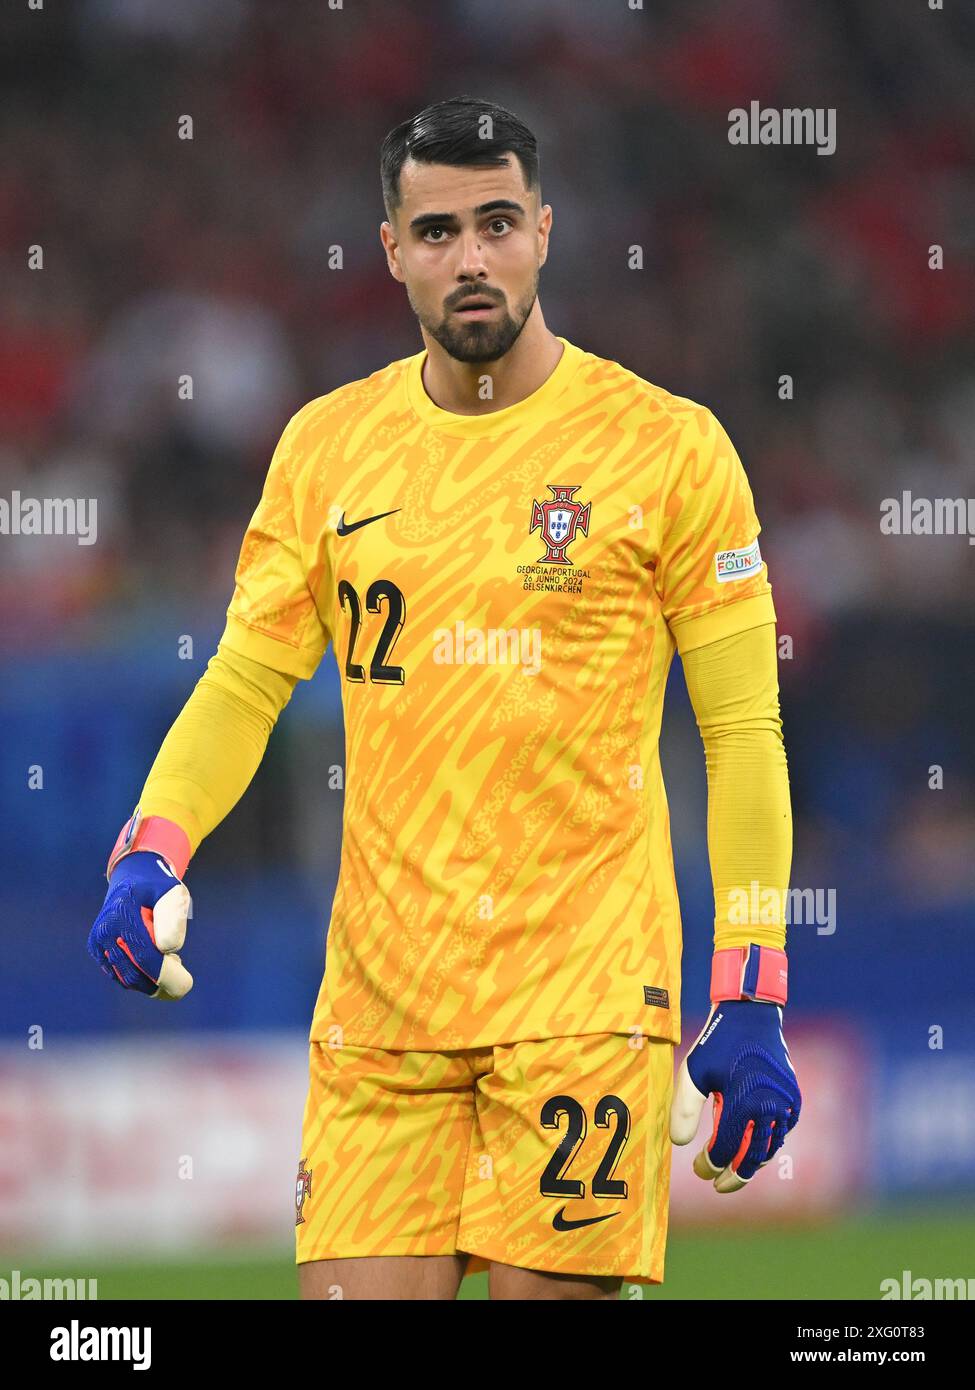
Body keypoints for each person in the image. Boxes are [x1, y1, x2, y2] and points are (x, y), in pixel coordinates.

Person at [88, 95, 800, 1301]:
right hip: (379, 1014)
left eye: (497, 222)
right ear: (390, 250)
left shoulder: (671, 451)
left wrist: (752, 985)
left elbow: (741, 731)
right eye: (436, 232)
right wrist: (153, 848)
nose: (470, 257)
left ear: (546, 232)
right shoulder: (327, 449)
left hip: (584, 1002)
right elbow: (246, 679)